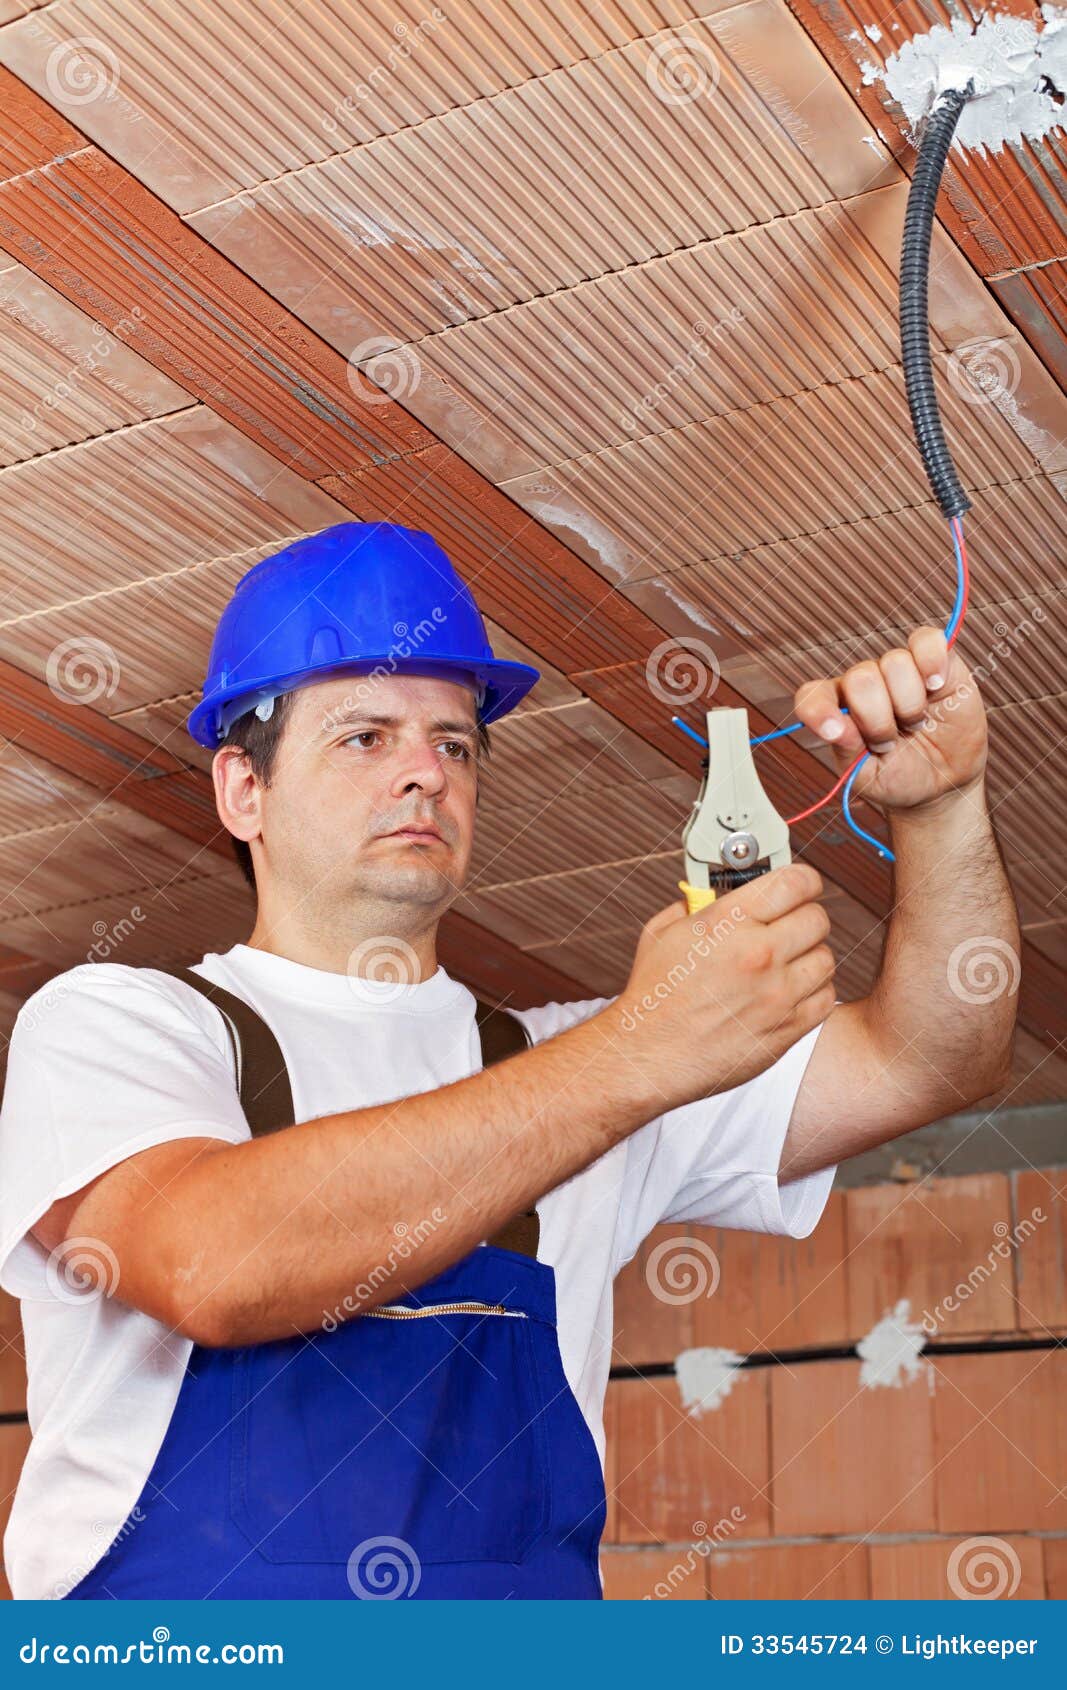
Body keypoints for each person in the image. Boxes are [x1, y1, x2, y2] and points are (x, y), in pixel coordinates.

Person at [0, 522, 1017, 1600]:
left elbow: (929, 1061)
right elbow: (212, 1266)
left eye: (454, 744)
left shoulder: (591, 1054)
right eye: (364, 737)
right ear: (242, 791)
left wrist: (942, 810)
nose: (423, 776)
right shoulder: (124, 1024)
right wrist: (635, 1052)